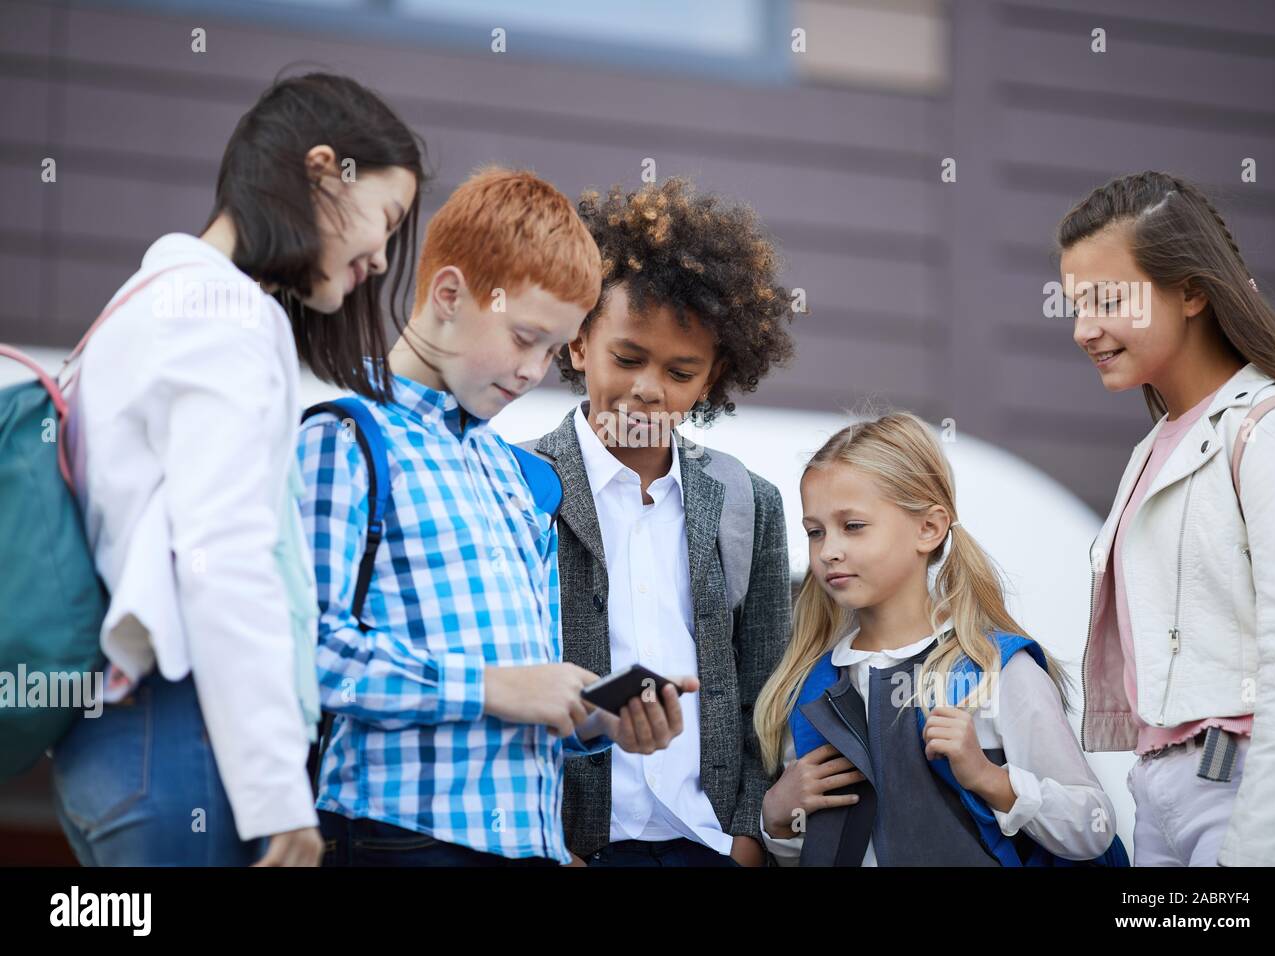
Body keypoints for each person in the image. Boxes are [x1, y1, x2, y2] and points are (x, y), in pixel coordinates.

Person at [51, 72, 425, 866]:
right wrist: (279, 797)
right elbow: (225, 557)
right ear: (324, 171)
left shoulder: (143, 302)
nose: (384, 259)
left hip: (113, 746)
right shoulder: (224, 314)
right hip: (181, 736)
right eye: (385, 221)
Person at [299, 167, 698, 867]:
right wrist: (491, 688)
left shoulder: (519, 478)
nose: (534, 369)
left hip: (527, 844)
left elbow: (528, 687)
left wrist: (597, 717)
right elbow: (307, 654)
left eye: (553, 350)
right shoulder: (346, 437)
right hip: (397, 839)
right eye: (524, 337)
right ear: (449, 294)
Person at [532, 177, 796, 867]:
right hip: (571, 844)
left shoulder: (749, 501)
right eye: (627, 358)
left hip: (704, 842)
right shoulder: (515, 484)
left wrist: (745, 837)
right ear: (578, 342)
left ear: (712, 380)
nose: (649, 386)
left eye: (681, 371)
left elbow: (767, 688)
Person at [1058, 171, 1275, 866]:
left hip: (1240, 787)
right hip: (1159, 784)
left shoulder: (1270, 433)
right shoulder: (1153, 447)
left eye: (1107, 300)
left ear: (1192, 290)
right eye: (1076, 305)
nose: (1083, 330)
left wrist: (1257, 849)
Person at [754, 413, 1120, 866]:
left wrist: (989, 778)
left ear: (929, 528)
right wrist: (776, 818)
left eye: (853, 526)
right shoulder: (809, 689)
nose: (828, 550)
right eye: (815, 531)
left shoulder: (997, 669)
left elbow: (1093, 827)